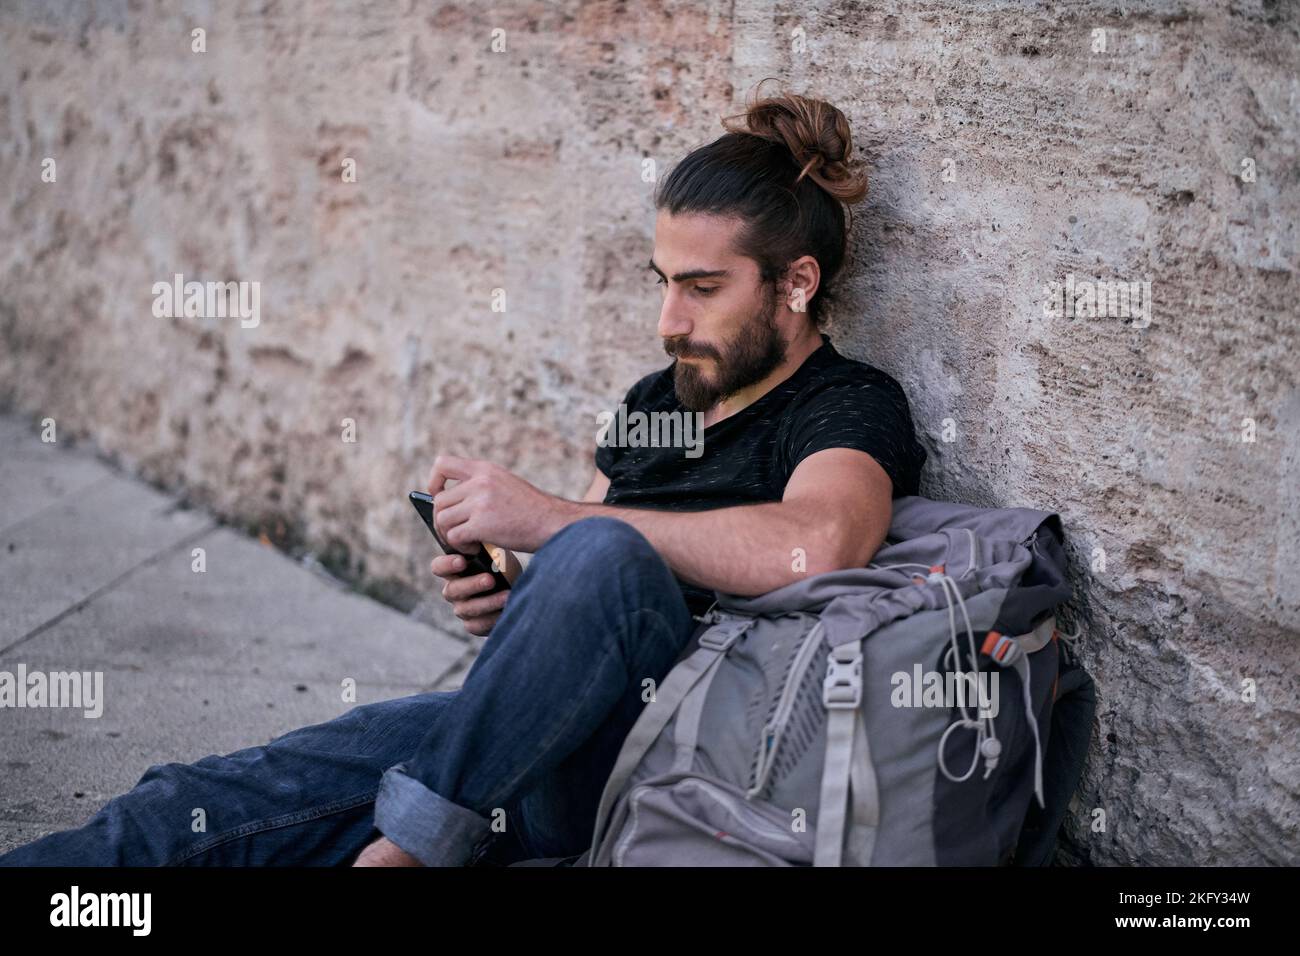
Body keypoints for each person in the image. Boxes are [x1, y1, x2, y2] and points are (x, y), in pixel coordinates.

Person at [0, 87, 927, 867]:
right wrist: (518, 595)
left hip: (687, 763)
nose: (667, 318)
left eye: (701, 287)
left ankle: (413, 851)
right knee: (194, 809)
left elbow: (820, 544)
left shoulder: (846, 403)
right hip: (538, 747)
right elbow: (591, 584)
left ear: (795, 283)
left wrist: (561, 525)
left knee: (598, 547)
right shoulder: (663, 396)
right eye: (661, 280)